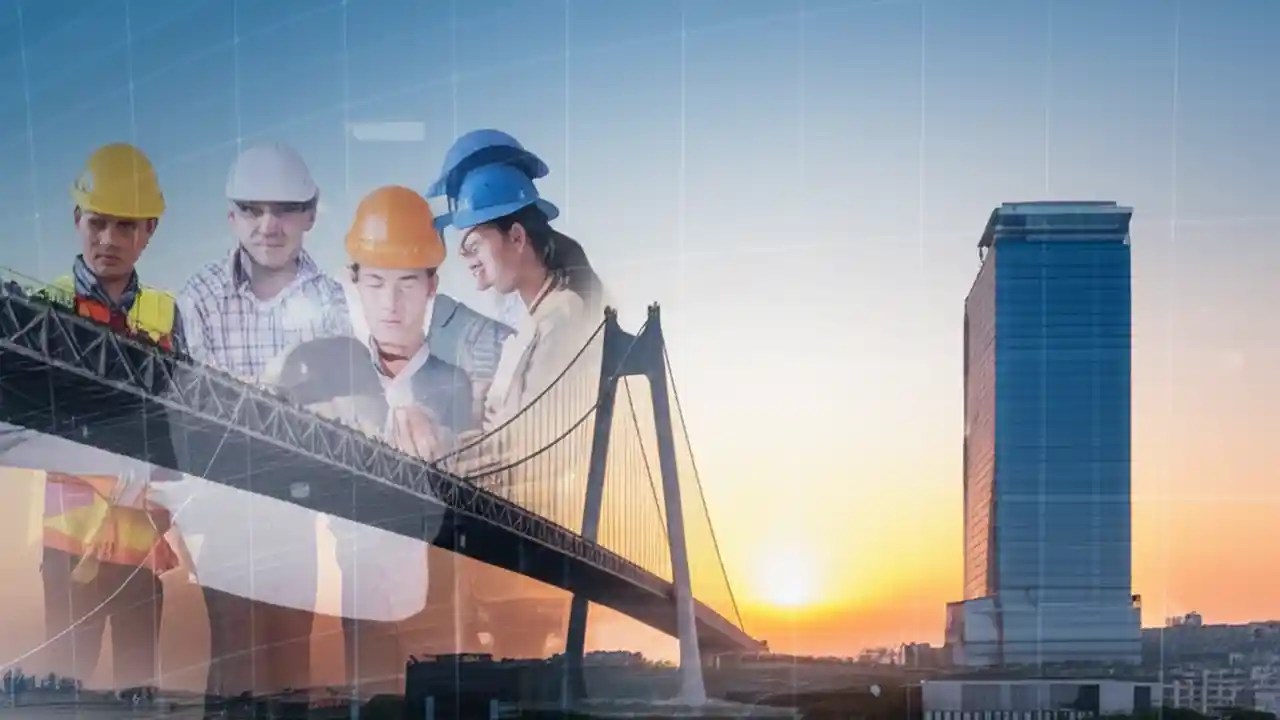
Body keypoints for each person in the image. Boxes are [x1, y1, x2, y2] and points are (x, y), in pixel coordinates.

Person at [265, 185, 473, 697]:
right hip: (355, 587)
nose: (392, 305)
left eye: (407, 284)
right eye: (376, 283)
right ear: (353, 282)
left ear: (432, 286)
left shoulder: (453, 385)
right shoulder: (324, 371)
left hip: (430, 599)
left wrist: (444, 443)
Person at [172, 141, 350, 701]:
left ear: (311, 213)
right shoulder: (197, 300)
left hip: (295, 508)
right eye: (251, 209)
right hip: (226, 506)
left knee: (292, 649)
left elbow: (340, 411)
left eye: (284, 209)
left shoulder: (332, 303)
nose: (268, 225)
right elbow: (195, 413)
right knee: (235, 647)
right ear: (232, 215)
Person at [36, 143, 185, 690]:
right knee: (65, 687)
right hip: (72, 547)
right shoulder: (43, 308)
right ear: (78, 220)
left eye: (126, 227)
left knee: (137, 688)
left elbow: (182, 419)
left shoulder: (165, 314)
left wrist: (165, 487)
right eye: (98, 223)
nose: (109, 240)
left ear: (149, 232)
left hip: (140, 549)